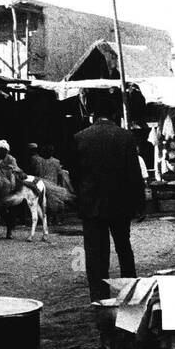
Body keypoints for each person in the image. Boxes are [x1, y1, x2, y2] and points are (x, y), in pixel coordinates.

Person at [73, 94, 146, 301]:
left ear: (93, 115)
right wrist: (139, 204)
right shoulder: (125, 137)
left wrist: (82, 199)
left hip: (91, 206)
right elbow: (134, 173)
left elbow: (76, 175)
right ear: (114, 114)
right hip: (120, 205)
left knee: (96, 254)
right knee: (124, 248)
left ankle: (99, 297)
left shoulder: (80, 137)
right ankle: (131, 294)